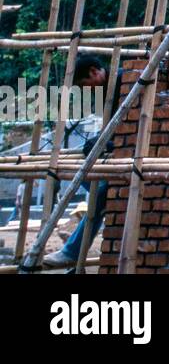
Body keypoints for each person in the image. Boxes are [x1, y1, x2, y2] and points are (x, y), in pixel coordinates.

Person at [42, 53, 119, 270]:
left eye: (85, 84)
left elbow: (131, 122)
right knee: (87, 179)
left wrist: (107, 140)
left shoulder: (123, 81)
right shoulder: (105, 90)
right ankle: (74, 255)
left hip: (134, 155)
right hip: (117, 155)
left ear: (95, 72)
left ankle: (71, 253)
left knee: (101, 195)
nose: (87, 89)